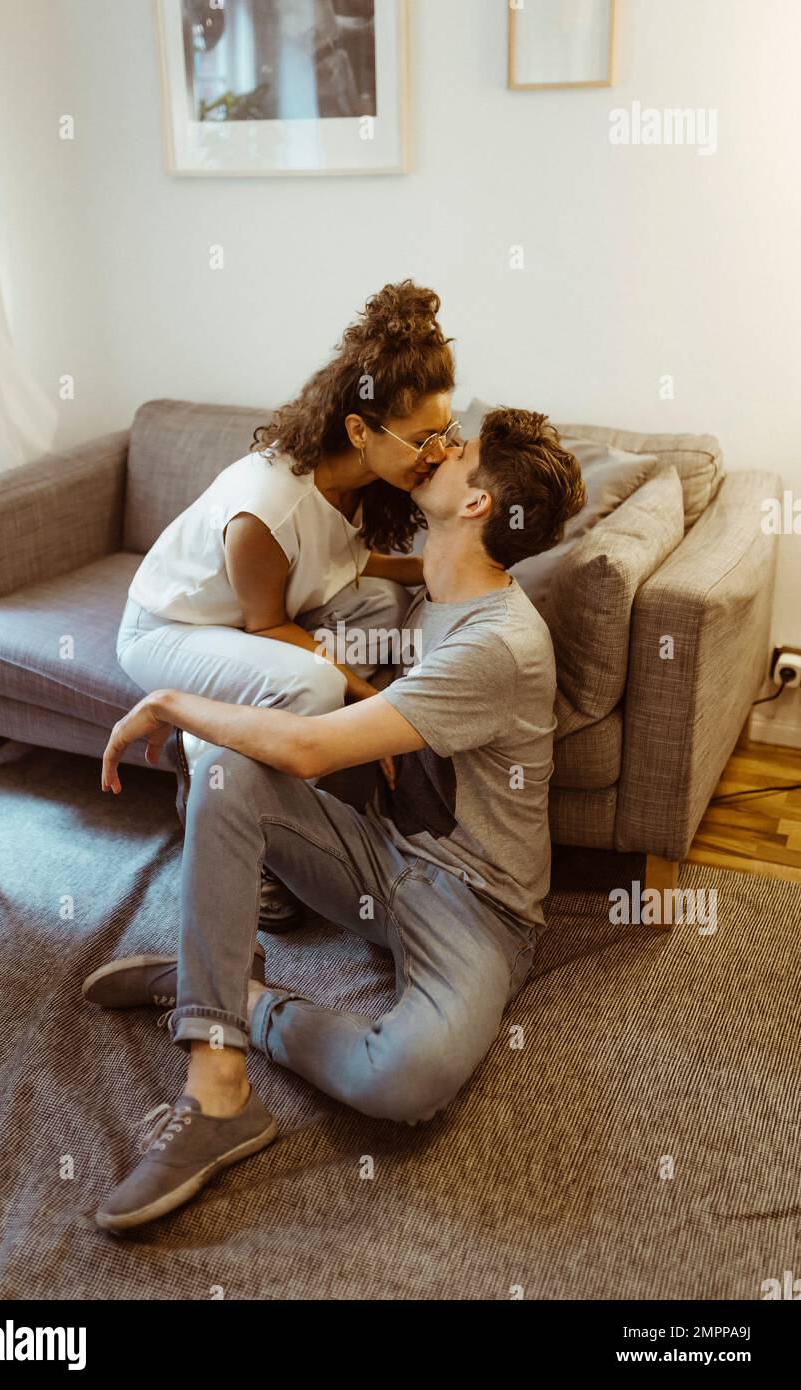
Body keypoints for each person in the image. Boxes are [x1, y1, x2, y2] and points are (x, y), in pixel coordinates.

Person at [87, 406, 586, 1231]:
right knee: (227, 777)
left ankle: (219, 994)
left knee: (406, 1083)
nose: (439, 449)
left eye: (457, 453)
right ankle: (218, 1098)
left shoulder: (499, 642)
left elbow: (312, 751)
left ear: (477, 506)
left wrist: (174, 700)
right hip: (383, 860)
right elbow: (314, 543)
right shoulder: (432, 590)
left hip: (483, 908)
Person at [116, 280, 460, 924]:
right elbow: (268, 624)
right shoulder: (266, 507)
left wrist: (444, 571)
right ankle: (243, 826)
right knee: (312, 688)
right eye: (422, 439)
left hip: (252, 623)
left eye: (445, 432)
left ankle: (225, 742)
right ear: (359, 429)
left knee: (384, 602)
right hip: (170, 630)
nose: (437, 453)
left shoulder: (357, 484)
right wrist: (375, 704)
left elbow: (347, 561)